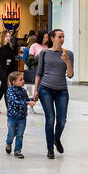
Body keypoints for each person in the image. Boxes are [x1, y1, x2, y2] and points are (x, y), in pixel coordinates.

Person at [30, 28, 73, 160]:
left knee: (62, 120)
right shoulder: (44, 53)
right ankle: (50, 149)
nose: (62, 39)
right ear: (52, 38)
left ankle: (56, 138)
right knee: (50, 119)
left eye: (63, 36)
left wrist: (67, 62)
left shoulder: (69, 54)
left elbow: (70, 75)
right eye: (59, 37)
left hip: (62, 90)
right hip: (46, 89)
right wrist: (36, 90)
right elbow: (39, 73)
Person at [3, 71, 33, 159]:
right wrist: (28, 102)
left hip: (22, 117)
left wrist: (33, 99)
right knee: (11, 133)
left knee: (20, 134)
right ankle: (8, 143)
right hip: (12, 117)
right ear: (14, 82)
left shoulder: (23, 90)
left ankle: (17, 151)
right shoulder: (10, 91)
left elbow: (27, 99)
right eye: (21, 80)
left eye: (23, 79)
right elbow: (15, 101)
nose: (23, 81)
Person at [0, 31, 18, 113]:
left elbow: (13, 60)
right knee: (7, 90)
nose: (8, 38)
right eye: (6, 36)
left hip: (9, 71)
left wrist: (16, 72)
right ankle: (9, 110)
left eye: (9, 36)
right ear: (2, 37)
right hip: (1, 71)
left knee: (2, 88)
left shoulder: (10, 47)